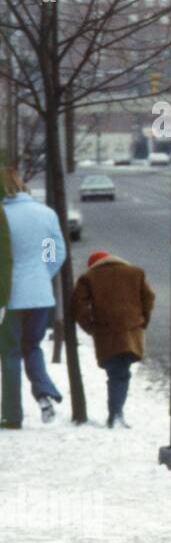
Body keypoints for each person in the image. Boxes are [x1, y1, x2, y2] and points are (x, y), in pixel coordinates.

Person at [0, 168, 66, 429]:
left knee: (11, 352)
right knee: (33, 346)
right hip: (40, 295)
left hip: (11, 297)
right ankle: (44, 393)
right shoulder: (45, 215)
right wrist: (42, 274)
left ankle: (12, 414)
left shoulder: (3, 217)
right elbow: (54, 253)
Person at [73, 250, 155, 428]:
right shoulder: (136, 272)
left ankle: (115, 413)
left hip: (106, 334)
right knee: (121, 373)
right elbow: (149, 298)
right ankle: (116, 413)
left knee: (116, 373)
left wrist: (91, 327)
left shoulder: (88, 277)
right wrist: (142, 321)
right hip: (131, 332)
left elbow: (79, 308)